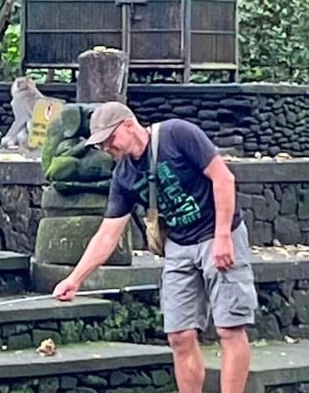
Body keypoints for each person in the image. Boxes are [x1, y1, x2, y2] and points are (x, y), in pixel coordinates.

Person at [51, 101, 256, 393]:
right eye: (101, 144)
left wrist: (223, 236)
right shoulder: (123, 176)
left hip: (218, 233)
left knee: (229, 328)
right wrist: (75, 279)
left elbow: (223, 178)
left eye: (110, 140)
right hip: (179, 245)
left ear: (128, 125)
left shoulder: (177, 134)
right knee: (179, 335)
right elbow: (107, 235)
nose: (107, 148)